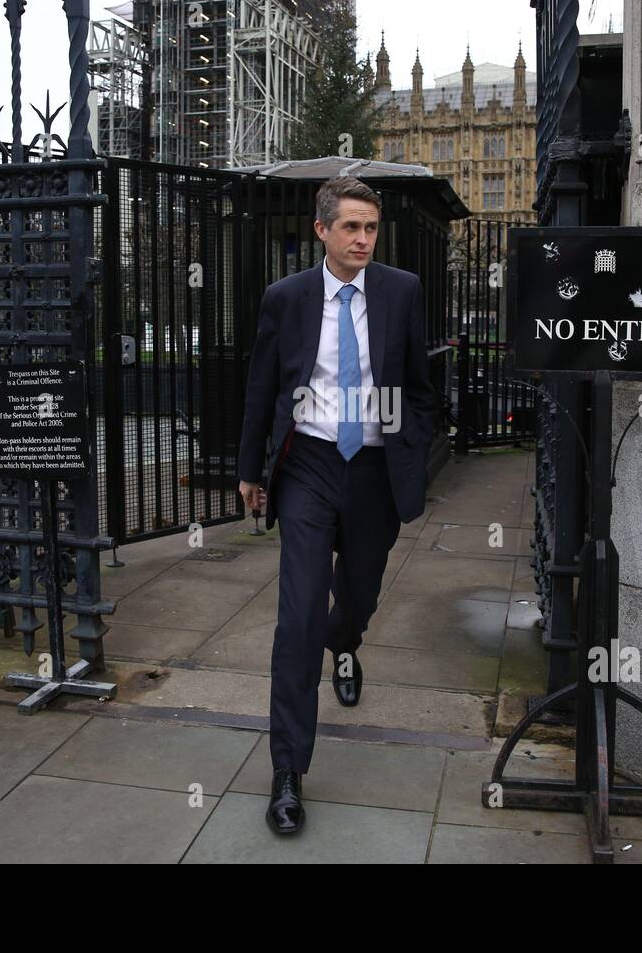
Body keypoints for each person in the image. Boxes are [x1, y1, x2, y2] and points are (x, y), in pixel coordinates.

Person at [237, 176, 438, 835]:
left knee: (357, 595)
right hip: (310, 466)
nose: (362, 240)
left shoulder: (402, 290)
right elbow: (262, 386)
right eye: (350, 227)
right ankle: (289, 771)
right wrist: (248, 470)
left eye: (370, 228)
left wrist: (413, 442)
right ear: (321, 229)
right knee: (297, 616)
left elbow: (422, 384)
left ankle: (346, 643)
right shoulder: (286, 299)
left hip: (374, 470)